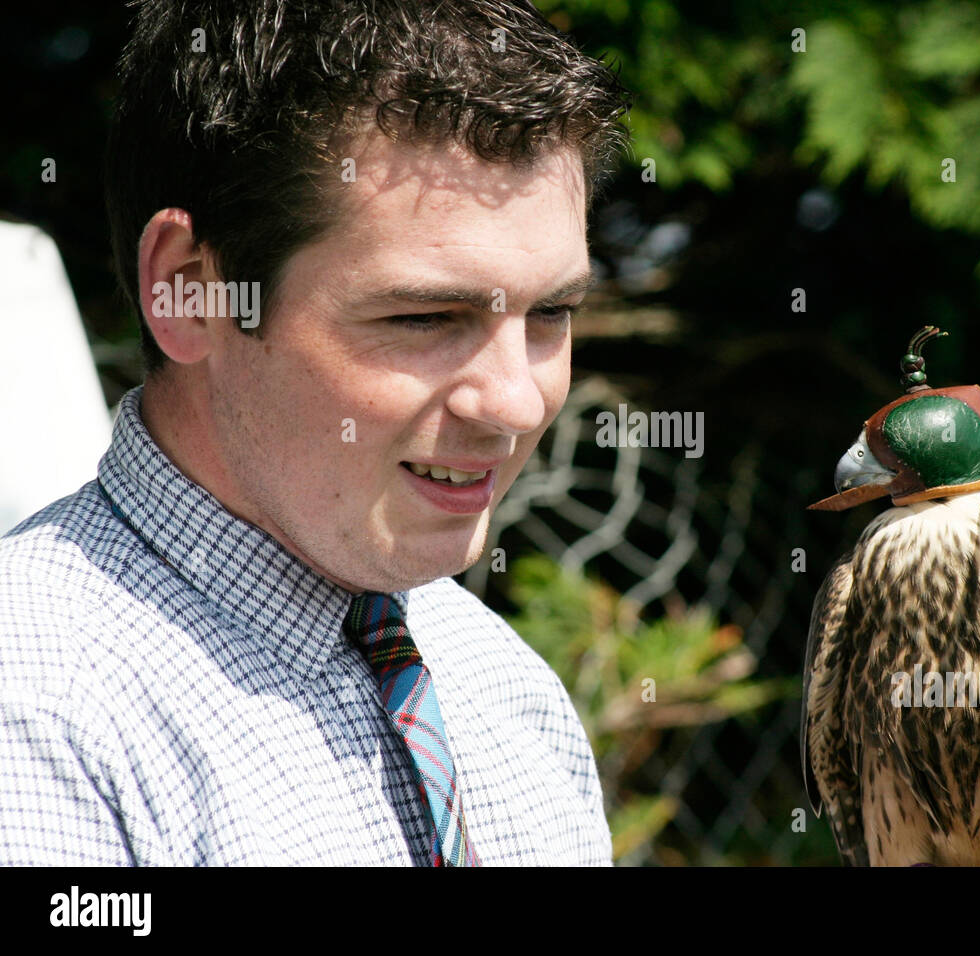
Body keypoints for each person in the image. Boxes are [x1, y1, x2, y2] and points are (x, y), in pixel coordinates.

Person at [0, 0, 631, 866]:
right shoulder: (37, 719)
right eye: (423, 317)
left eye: (552, 312)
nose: (516, 402)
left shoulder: (504, 687)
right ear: (192, 290)